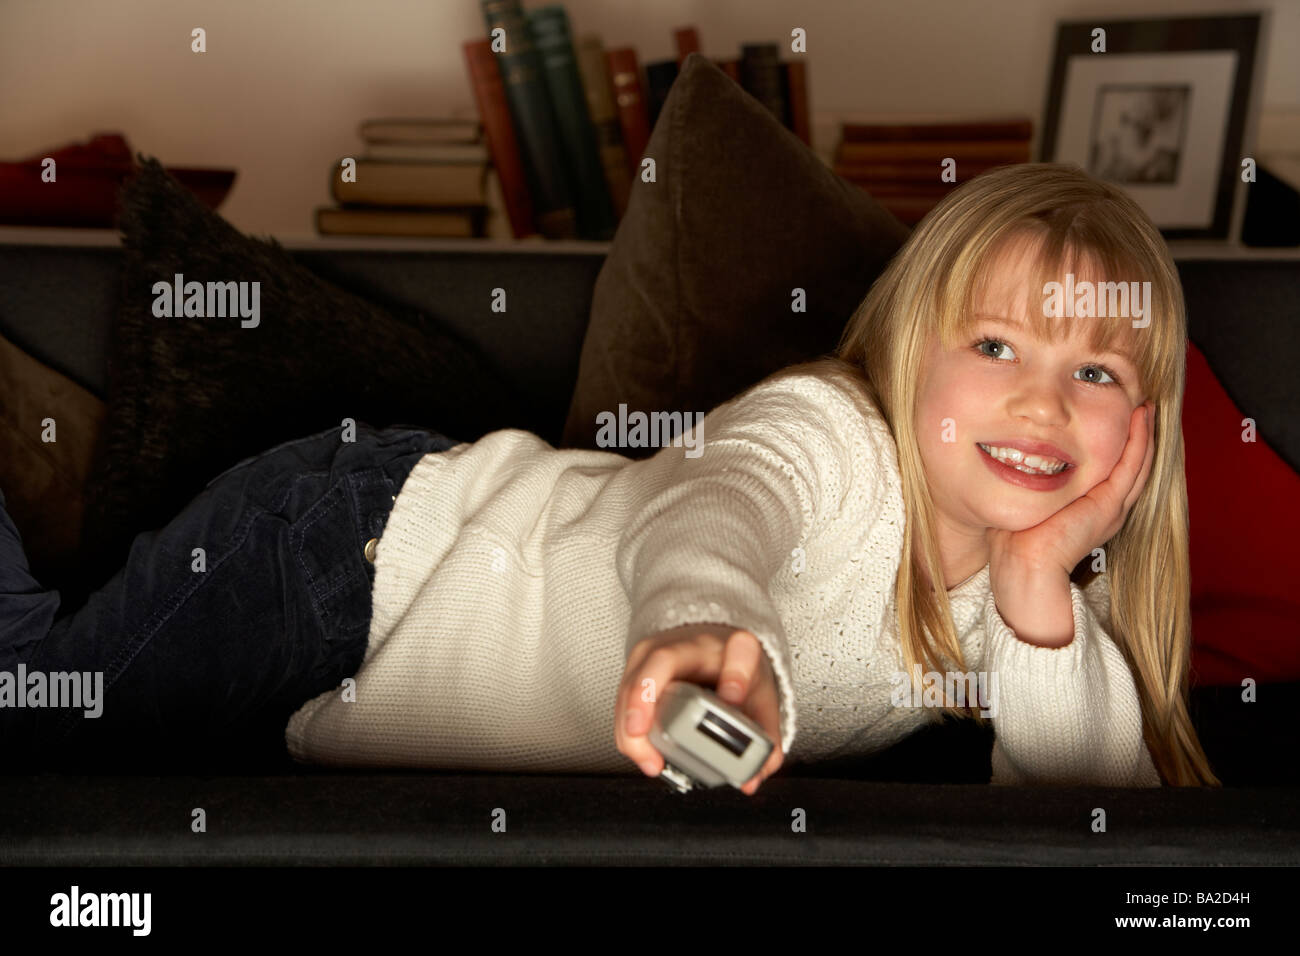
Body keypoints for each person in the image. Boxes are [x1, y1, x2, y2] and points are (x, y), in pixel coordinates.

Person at [1, 162, 1219, 788]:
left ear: (1143, 430)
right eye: (995, 345)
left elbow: (1091, 823)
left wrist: (1036, 581)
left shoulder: (1035, 602)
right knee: (39, 722)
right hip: (356, 546)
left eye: (1098, 372)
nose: (1041, 400)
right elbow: (712, 506)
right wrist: (700, 624)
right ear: (907, 354)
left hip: (381, 680)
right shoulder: (835, 437)